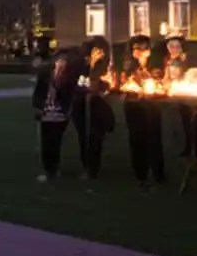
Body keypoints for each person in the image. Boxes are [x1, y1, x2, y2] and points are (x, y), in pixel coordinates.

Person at [122, 35, 165, 190]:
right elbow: (123, 83)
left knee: (154, 138)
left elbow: (160, 81)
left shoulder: (155, 65)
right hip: (133, 105)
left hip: (151, 105)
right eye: (137, 48)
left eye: (144, 48)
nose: (141, 51)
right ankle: (140, 174)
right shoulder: (127, 66)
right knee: (136, 139)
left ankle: (157, 173)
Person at [31, 48, 77, 182]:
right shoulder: (45, 73)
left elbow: (69, 94)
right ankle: (49, 169)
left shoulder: (68, 77)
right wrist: (37, 107)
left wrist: (67, 109)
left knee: (55, 143)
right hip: (46, 114)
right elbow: (39, 92)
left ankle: (54, 168)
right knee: (46, 143)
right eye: (59, 59)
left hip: (59, 115)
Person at [74, 36, 114, 180]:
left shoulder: (106, 67)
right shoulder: (83, 66)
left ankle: (92, 168)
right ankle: (86, 165)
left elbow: (106, 85)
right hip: (81, 106)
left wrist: (99, 87)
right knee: (84, 137)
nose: (98, 54)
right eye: (95, 50)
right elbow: (79, 83)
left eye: (101, 51)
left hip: (97, 107)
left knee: (95, 137)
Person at [160, 34, 193, 157]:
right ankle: (176, 143)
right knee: (172, 118)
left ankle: (187, 146)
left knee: (185, 119)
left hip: (183, 92)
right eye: (171, 46)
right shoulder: (167, 60)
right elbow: (166, 75)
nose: (174, 49)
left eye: (176, 46)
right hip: (171, 91)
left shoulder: (184, 60)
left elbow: (188, 74)